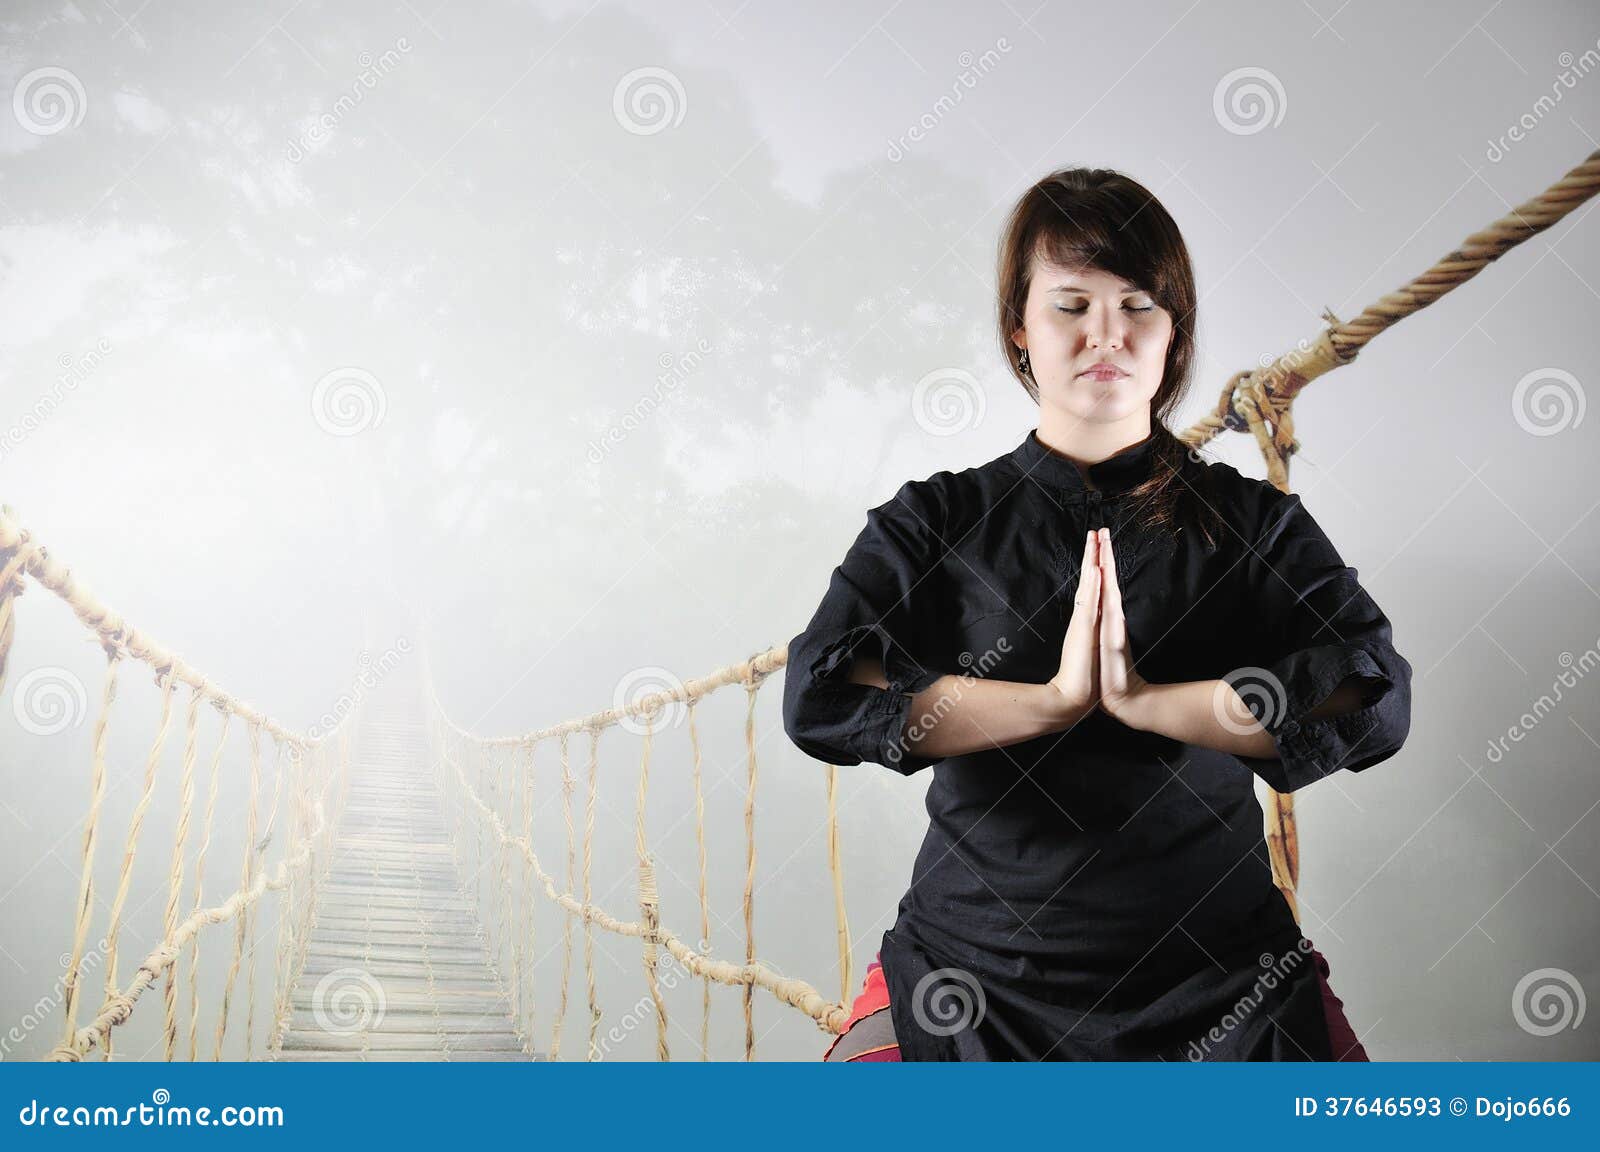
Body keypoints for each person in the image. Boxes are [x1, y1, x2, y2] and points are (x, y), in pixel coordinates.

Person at [782, 167, 1412, 1061]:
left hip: (1225, 986)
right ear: (1021, 331)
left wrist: (1154, 701)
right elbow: (820, 691)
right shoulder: (936, 519)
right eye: (1072, 305)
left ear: (1173, 334)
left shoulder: (1252, 522)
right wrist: (1050, 702)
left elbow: (1376, 694)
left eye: (1140, 304)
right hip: (966, 983)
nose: (1106, 334)